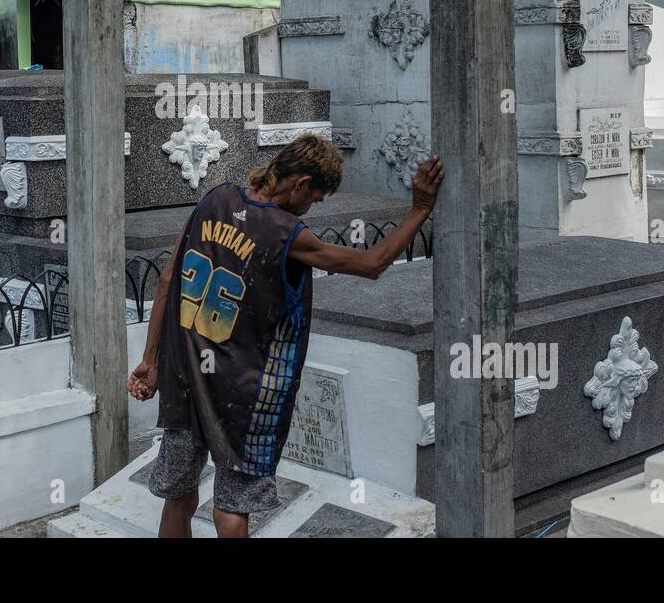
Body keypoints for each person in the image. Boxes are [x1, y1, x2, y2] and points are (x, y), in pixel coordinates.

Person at [127, 133, 444, 538]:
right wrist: (419, 208)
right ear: (299, 184)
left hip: (184, 375)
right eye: (315, 198)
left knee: (180, 497)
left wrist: (151, 360)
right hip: (245, 392)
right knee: (231, 509)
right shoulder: (285, 232)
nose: (311, 207)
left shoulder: (215, 198)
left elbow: (168, 279)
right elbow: (372, 264)